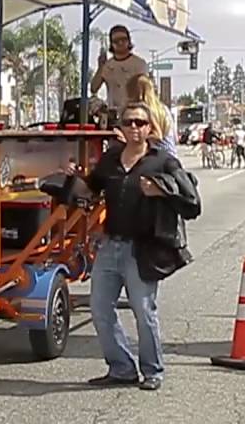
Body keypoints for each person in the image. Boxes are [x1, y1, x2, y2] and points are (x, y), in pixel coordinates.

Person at [74, 102, 200, 390]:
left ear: (150, 128)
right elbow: (91, 188)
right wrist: (73, 179)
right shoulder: (110, 159)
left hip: (141, 249)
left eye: (140, 123)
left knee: (144, 311)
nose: (134, 128)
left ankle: (152, 370)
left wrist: (161, 191)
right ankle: (121, 368)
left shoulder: (162, 162)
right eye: (129, 122)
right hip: (109, 246)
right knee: (100, 310)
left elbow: (192, 204)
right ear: (121, 126)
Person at [89, 25, 149, 115]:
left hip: (133, 113)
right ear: (111, 44)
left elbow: (145, 90)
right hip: (113, 113)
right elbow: (94, 88)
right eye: (116, 41)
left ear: (129, 41)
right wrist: (100, 67)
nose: (120, 43)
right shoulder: (107, 65)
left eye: (123, 39)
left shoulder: (139, 64)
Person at [126, 74, 177, 157]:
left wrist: (133, 137)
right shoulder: (163, 108)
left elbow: (158, 135)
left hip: (159, 157)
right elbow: (175, 137)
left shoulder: (145, 110)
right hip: (172, 155)